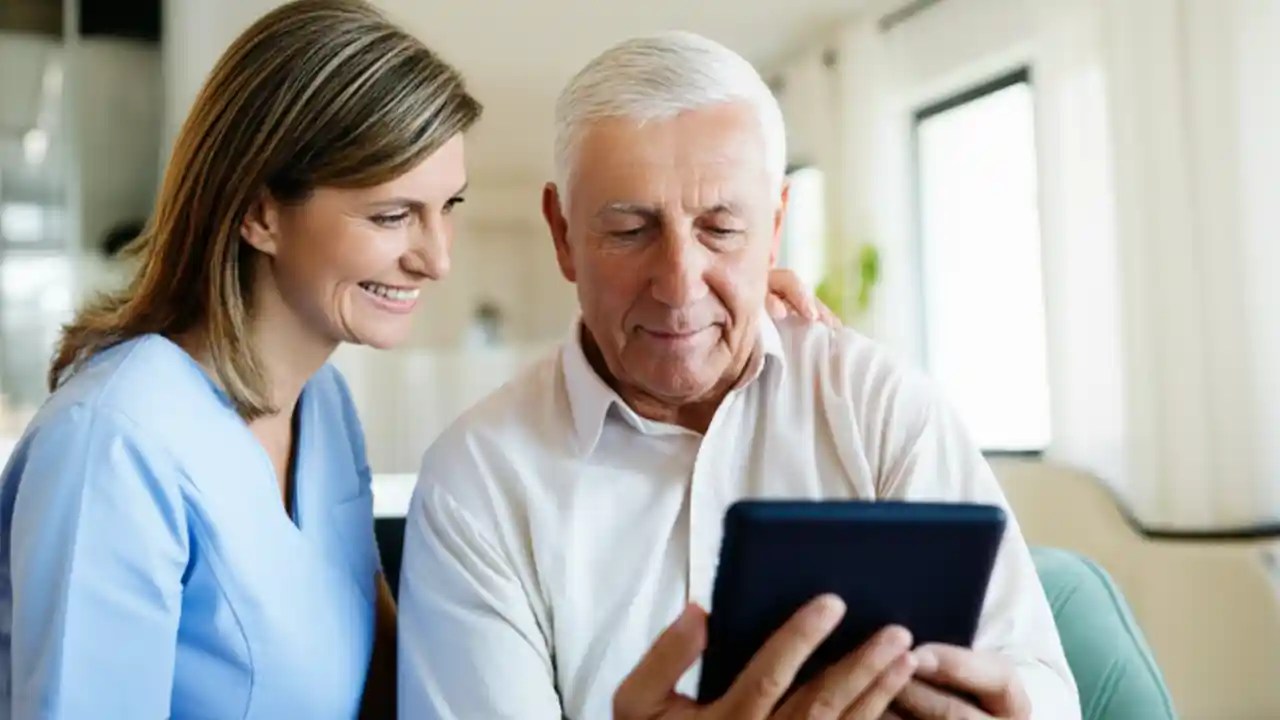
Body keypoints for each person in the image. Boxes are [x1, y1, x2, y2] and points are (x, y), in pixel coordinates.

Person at [0, 3, 827, 717]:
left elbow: (409, 685)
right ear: (258, 212)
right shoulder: (114, 444)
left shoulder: (320, 411)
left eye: (448, 208)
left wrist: (707, 303)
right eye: (393, 215)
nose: (435, 259)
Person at [397, 32, 1082, 720]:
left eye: (722, 229)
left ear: (775, 223)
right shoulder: (477, 479)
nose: (678, 285)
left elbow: (1042, 687)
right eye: (631, 229)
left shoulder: (876, 406)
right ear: (561, 233)